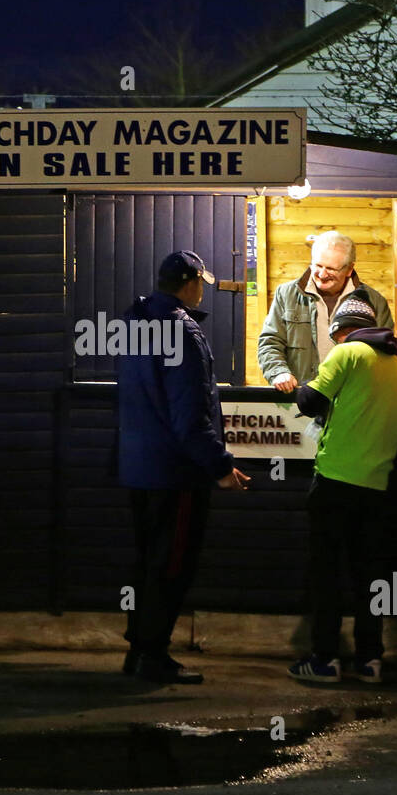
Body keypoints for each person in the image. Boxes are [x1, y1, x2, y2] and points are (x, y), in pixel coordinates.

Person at [116, 250, 250, 684]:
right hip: (175, 471)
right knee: (172, 565)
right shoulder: (183, 333)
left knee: (148, 561)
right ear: (190, 282)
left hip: (138, 467)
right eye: (201, 283)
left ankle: (140, 650)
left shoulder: (134, 324)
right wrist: (220, 466)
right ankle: (151, 655)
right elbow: (191, 415)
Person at [287, 291, 397, 685]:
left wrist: (306, 379)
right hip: (377, 487)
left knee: (326, 573)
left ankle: (324, 660)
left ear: (340, 330)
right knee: (367, 575)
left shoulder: (347, 353)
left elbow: (308, 400)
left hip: (335, 483)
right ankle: (370, 659)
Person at [258, 231, 394, 394]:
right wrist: (279, 372)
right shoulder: (286, 294)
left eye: (330, 269)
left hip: (353, 399)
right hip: (302, 398)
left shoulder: (374, 301)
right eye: (318, 265)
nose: (322, 275)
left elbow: (386, 354)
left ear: (349, 269)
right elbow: (270, 342)